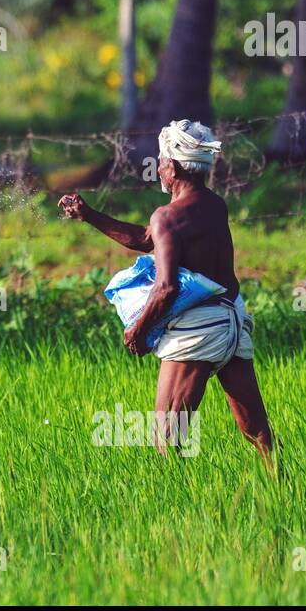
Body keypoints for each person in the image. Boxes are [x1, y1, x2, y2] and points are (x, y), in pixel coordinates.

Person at [59, 120, 274, 465]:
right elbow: (148, 239)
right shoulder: (214, 205)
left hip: (198, 333)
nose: (157, 167)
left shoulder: (167, 216)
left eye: (160, 161)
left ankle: (177, 512)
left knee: (167, 438)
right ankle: (282, 490)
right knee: (256, 431)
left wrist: (137, 331)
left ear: (172, 167)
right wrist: (90, 216)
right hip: (232, 322)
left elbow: (167, 287)